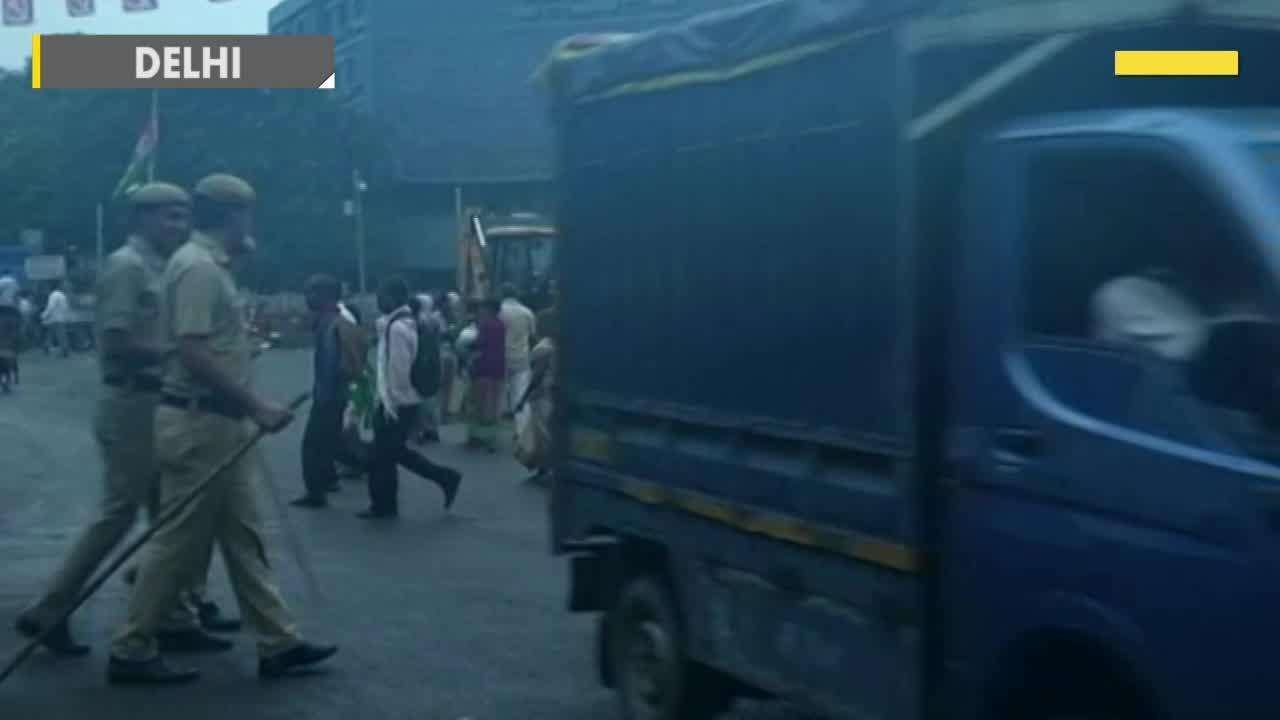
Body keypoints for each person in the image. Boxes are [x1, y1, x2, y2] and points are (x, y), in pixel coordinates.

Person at [108, 174, 337, 685]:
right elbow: (191, 350)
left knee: (245, 536)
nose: (251, 225)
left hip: (215, 422)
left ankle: (278, 641)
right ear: (234, 216)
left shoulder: (207, 266)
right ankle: (131, 645)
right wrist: (256, 404)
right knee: (176, 544)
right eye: (248, 215)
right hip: (200, 422)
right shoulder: (199, 268)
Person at [15, 183, 235, 656]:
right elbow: (114, 343)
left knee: (171, 514)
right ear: (142, 220)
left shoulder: (161, 267)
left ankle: (171, 613)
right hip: (130, 400)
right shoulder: (126, 267)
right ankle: (50, 607)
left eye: (183, 216)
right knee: (120, 510)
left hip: (155, 400)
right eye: (168, 216)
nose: (178, 225)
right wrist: (176, 352)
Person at [361, 278, 462, 519]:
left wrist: (389, 402)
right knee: (390, 454)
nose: (378, 301)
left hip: (395, 402)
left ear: (394, 298)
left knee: (383, 456)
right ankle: (387, 503)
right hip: (406, 399)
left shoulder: (396, 328)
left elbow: (398, 368)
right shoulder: (412, 322)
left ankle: (386, 504)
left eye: (381, 296)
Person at [293, 274, 367, 508]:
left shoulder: (329, 324)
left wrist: (322, 396)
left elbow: (329, 364)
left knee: (312, 444)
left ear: (325, 295)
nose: (307, 298)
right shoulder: (337, 321)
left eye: (312, 293)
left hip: (329, 395)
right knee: (330, 441)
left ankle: (316, 492)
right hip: (338, 394)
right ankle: (328, 479)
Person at [465, 297, 506, 452]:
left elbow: (478, 344)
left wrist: (468, 346)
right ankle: (490, 439)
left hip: (483, 368)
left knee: (479, 404)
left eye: (484, 308)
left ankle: (477, 438)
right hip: (498, 368)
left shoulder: (486, 325)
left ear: (489, 309)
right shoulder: (501, 325)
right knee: (492, 405)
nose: (481, 310)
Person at [498, 284, 537, 437]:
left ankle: (493, 432)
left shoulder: (498, 311)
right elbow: (533, 336)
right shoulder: (527, 312)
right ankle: (521, 433)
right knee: (520, 396)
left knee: (499, 395)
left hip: (501, 358)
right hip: (521, 359)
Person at [42, 281, 73, 357]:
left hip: (54, 319)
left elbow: (51, 307)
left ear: (50, 288)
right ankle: (47, 347)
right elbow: (66, 307)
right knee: (57, 335)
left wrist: (44, 315)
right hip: (60, 318)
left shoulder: (53, 295)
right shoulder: (62, 295)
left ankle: (64, 351)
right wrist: (67, 317)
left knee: (56, 335)